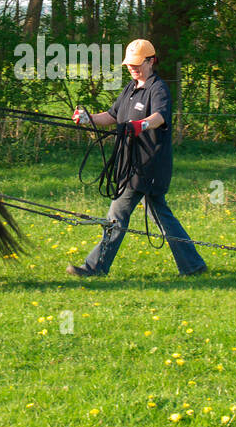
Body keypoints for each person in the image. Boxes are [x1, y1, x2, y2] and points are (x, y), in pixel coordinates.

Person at [67, 38, 208, 278]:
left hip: (147, 165)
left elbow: (160, 117)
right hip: (129, 163)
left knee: (117, 215)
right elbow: (111, 116)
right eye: (130, 64)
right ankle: (193, 265)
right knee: (161, 215)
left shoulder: (158, 88)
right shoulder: (130, 89)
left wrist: (140, 125)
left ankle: (95, 267)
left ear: (151, 61)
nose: (132, 68)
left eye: (137, 64)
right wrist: (88, 118)